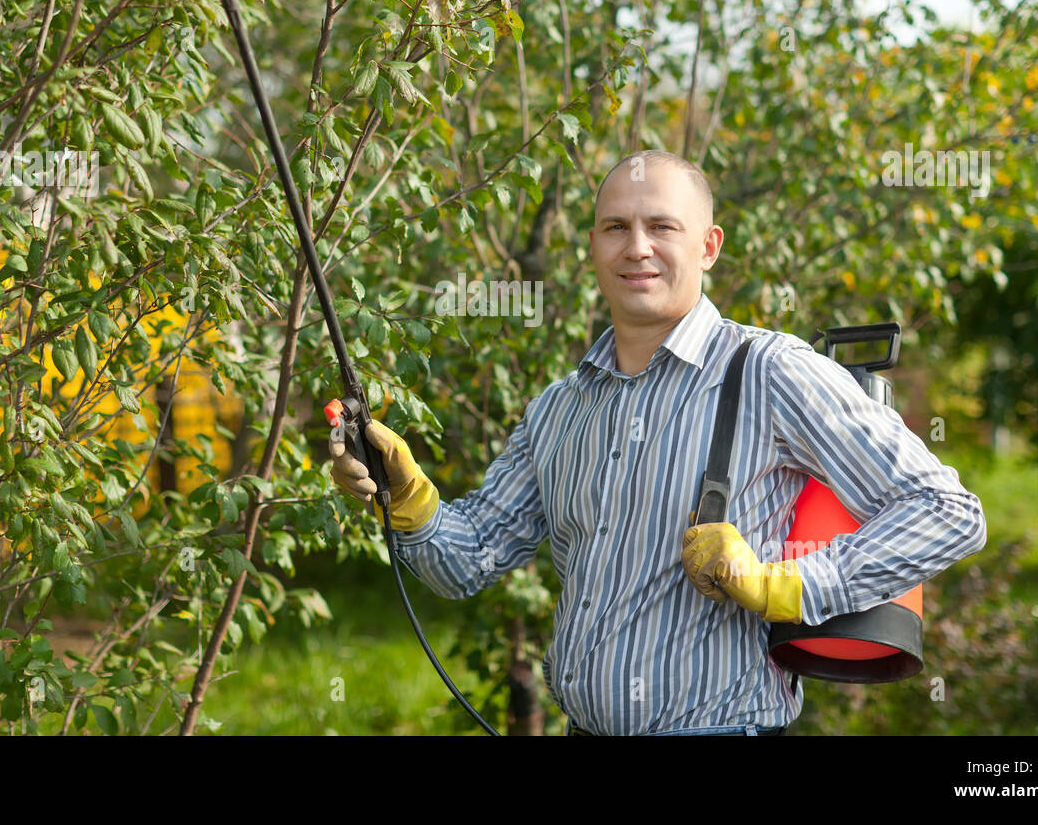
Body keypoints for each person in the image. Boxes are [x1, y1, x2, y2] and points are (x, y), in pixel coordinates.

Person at [327, 149, 987, 735]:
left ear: (708, 245)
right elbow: (465, 564)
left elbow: (947, 512)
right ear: (593, 246)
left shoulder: (769, 371)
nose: (636, 247)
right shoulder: (559, 408)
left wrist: (785, 587)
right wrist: (407, 500)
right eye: (616, 227)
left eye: (661, 226)